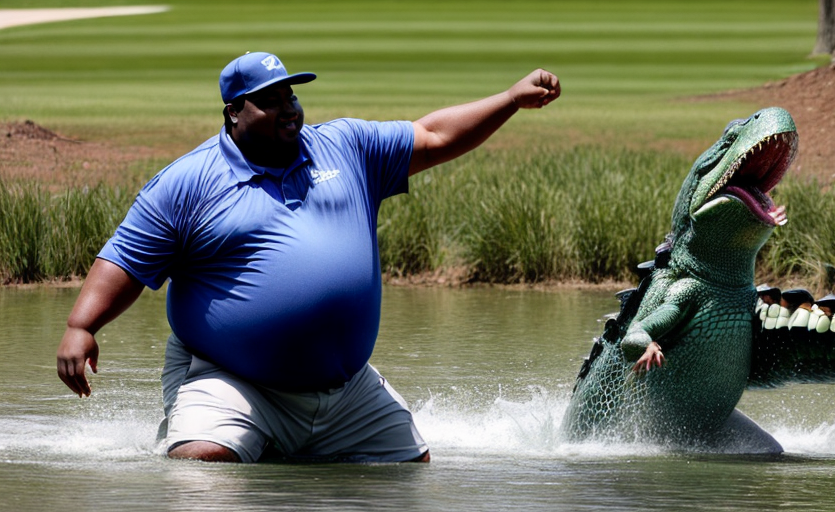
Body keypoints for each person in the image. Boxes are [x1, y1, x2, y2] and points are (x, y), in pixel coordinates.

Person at [56, 52, 560, 463]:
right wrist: (83, 325)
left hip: (345, 388)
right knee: (202, 467)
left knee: (410, 475)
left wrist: (511, 99)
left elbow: (432, 136)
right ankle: (226, 431)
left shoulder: (344, 147)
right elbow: (125, 257)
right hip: (229, 378)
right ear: (234, 112)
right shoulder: (187, 182)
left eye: (290, 96)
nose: (288, 108)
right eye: (269, 101)